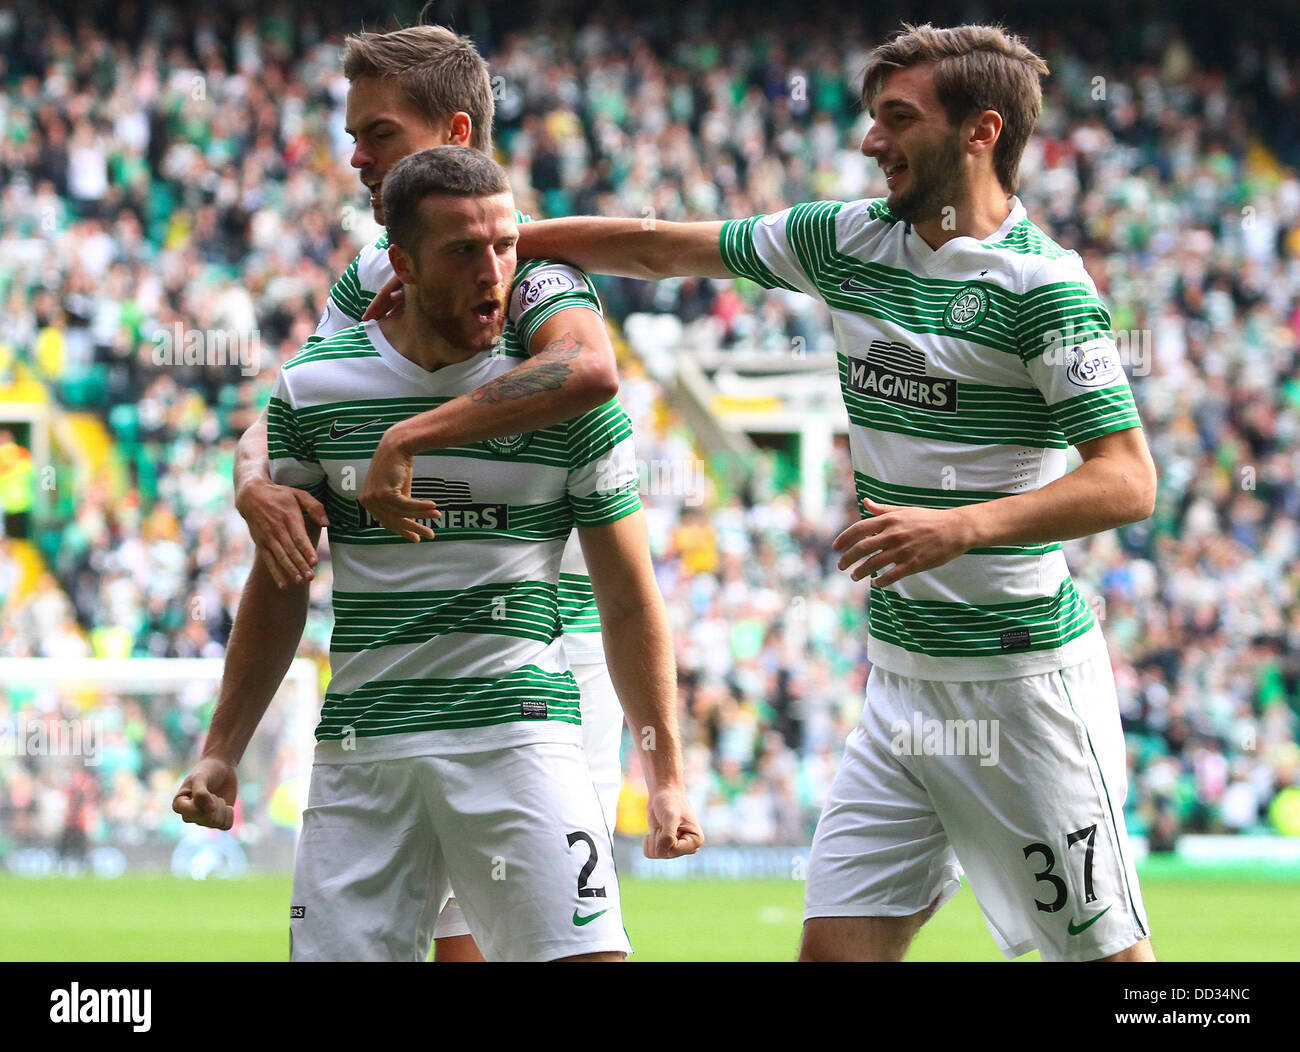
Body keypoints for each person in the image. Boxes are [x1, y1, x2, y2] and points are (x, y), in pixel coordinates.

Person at [506, 22, 1158, 963]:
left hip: (1020, 690)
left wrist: (962, 527)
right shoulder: (846, 238)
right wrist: (490, 244)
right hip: (899, 686)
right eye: (871, 118)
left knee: (1112, 970)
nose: (870, 141)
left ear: (981, 131)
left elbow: (1129, 479)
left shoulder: (1043, 288)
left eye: (898, 118)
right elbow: (661, 250)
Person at [174, 147, 701, 961]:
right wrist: (221, 751)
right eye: (465, 251)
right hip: (363, 754)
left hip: (519, 738)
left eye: (505, 246)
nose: (494, 272)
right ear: (402, 263)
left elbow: (629, 597)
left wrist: (663, 772)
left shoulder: (560, 396)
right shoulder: (315, 389)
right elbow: (280, 586)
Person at [230, 25, 633, 961]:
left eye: (376, 132)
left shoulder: (522, 263)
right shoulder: (372, 272)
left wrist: (413, 434)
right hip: (414, 678)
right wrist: (252, 478)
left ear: (454, 131)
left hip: (542, 656)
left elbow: (585, 366)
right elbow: (295, 397)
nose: (357, 156)